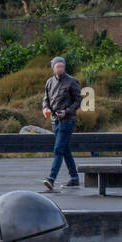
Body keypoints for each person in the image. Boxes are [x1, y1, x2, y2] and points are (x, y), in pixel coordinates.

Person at [41, 55, 82, 191]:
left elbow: (78, 101)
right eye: (57, 66)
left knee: (58, 149)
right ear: (53, 68)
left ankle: (51, 179)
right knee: (65, 150)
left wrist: (67, 111)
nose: (60, 68)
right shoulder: (49, 82)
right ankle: (75, 178)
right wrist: (45, 108)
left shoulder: (72, 81)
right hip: (54, 120)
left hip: (67, 120)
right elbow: (46, 98)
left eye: (62, 66)